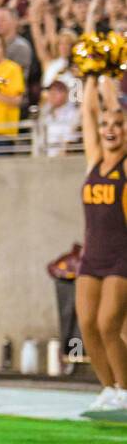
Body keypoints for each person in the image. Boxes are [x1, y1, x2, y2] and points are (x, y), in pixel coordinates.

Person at [76, 73, 127, 415]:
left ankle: (125, 387)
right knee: (88, 325)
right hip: (90, 256)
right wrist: (92, 75)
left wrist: (110, 82)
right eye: (106, 123)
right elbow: (87, 116)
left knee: (109, 323)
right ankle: (107, 388)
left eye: (119, 123)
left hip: (122, 256)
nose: (110, 128)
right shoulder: (94, 160)